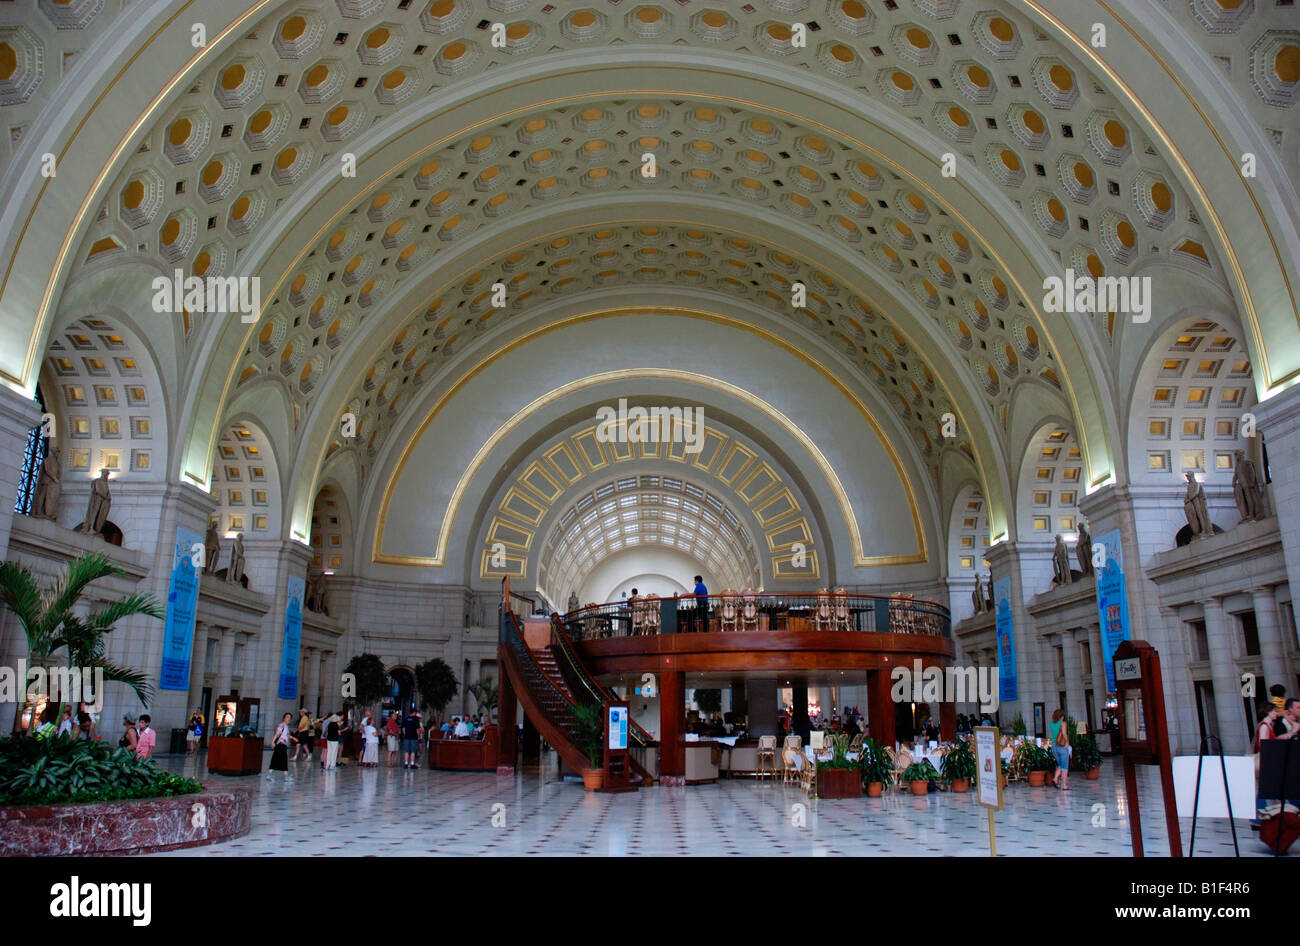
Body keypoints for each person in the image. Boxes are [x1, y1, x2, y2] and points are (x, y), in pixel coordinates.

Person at [267, 712, 294, 782]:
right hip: (280, 745)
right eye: (287, 717)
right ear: (284, 718)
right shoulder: (282, 725)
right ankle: (285, 776)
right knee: (282, 760)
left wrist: (293, 738)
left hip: (283, 745)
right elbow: (277, 734)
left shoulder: (286, 726)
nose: (288, 719)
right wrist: (272, 742)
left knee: (277, 759)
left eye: (290, 718)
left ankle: (270, 774)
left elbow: (287, 735)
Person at [1050, 709, 1071, 790]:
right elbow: (1064, 734)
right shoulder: (1063, 723)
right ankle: (1065, 785)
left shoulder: (1051, 724)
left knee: (1060, 765)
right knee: (1065, 767)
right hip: (1061, 746)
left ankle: (1055, 779)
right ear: (1061, 716)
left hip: (1054, 746)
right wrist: (1067, 742)